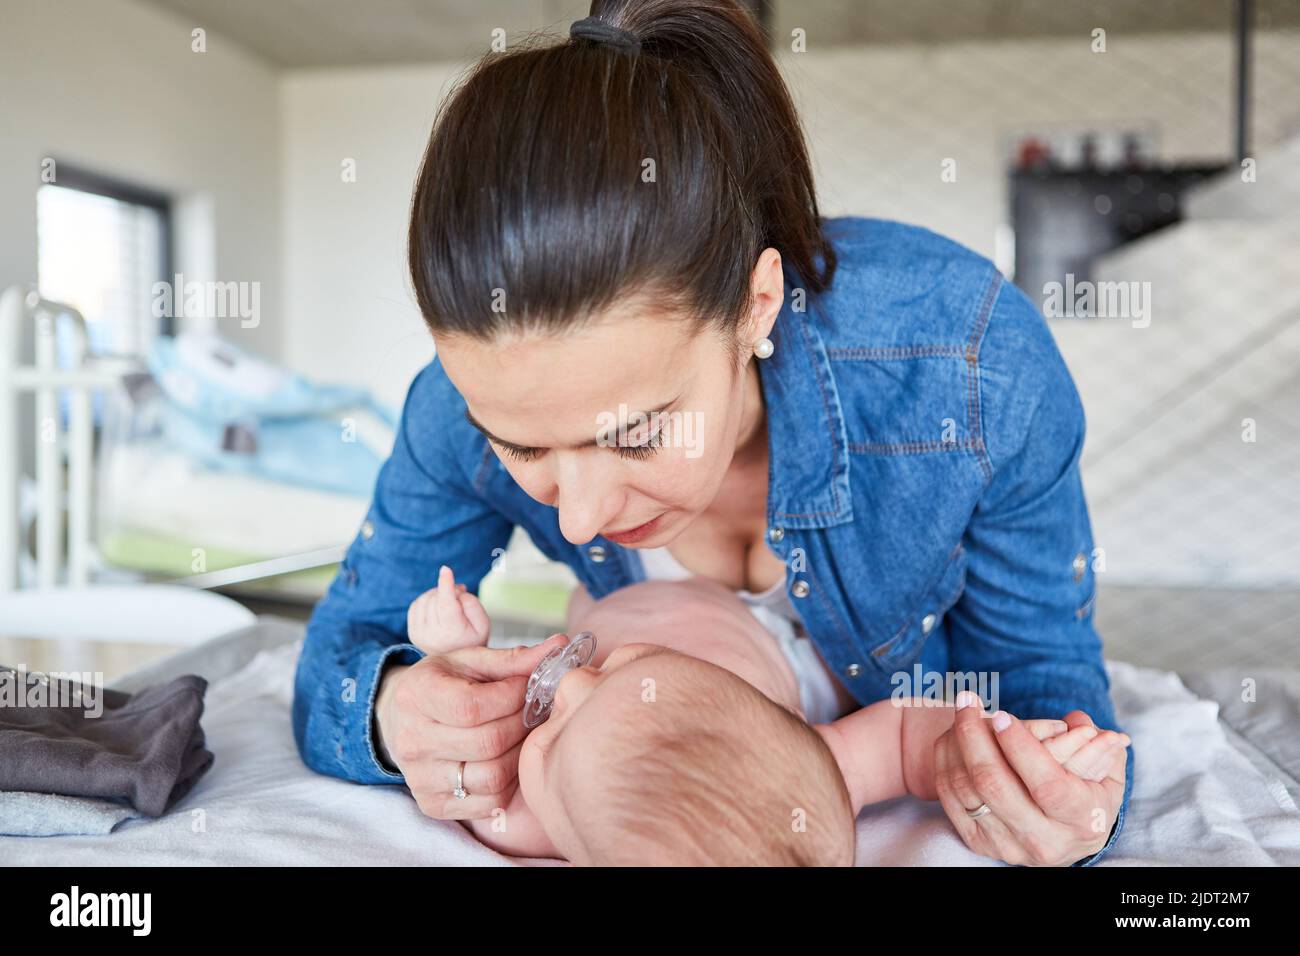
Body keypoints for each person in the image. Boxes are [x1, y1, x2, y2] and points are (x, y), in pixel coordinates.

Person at [292, 0, 1132, 866]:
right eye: (523, 447)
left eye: (634, 434)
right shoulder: (453, 410)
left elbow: (1040, 677)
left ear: (755, 307)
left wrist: (1065, 794)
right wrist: (396, 711)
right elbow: (339, 657)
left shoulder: (968, 366)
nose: (575, 521)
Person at [400, 568, 1129, 864]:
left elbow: (462, 737)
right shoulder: (813, 774)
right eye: (628, 668)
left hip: (628, 596)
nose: (569, 681)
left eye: (551, 737)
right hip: (777, 638)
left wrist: (455, 651)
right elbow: (909, 737)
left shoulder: (524, 819)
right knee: (835, 680)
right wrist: (1002, 746)